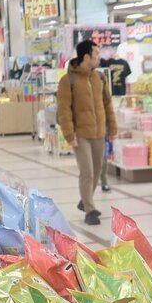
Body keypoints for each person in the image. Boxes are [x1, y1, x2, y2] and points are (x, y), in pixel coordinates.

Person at [57, 40, 117, 225]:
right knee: (87, 171)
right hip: (81, 134)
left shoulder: (100, 78)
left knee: (97, 170)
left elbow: (108, 105)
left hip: (99, 133)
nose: (99, 57)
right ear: (86, 57)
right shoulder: (68, 81)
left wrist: (113, 128)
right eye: (96, 54)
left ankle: (85, 200)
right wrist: (69, 135)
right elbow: (64, 110)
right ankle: (90, 210)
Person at [97, 49, 129, 193]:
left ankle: (103, 181)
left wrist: (112, 129)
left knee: (102, 155)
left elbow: (109, 110)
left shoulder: (103, 84)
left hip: (101, 127)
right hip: (86, 130)